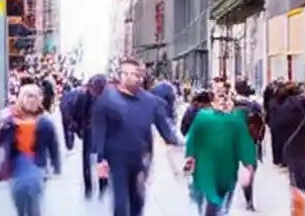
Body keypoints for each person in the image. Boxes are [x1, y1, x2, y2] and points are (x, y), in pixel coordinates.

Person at [91, 58, 182, 216]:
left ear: (141, 77)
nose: (129, 77)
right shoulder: (107, 100)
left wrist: (185, 145)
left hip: (141, 159)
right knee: (120, 203)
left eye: (134, 73)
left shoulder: (152, 102)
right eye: (124, 73)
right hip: (117, 159)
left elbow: (167, 131)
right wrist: (100, 159)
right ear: (120, 75)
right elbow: (99, 129)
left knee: (137, 202)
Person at [185, 88, 257, 216]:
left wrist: (249, 165)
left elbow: (245, 143)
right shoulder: (203, 117)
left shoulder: (236, 121)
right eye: (220, 97)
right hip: (206, 167)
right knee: (211, 198)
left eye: (226, 97)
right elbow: (193, 136)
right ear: (212, 102)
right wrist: (190, 156)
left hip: (228, 168)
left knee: (223, 198)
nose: (223, 101)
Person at [0, 84, 61, 216]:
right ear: (21, 99)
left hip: (37, 167)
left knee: (33, 204)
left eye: (35, 97)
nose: (32, 100)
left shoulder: (45, 122)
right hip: (16, 167)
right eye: (29, 97)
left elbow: (53, 146)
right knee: (19, 202)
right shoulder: (10, 121)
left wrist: (56, 165)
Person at [270, 82, 305, 204]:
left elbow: (277, 124)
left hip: (294, 142)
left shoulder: (285, 106)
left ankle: (301, 195)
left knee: (297, 176)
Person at [71, 74, 109, 198]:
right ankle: (100, 186)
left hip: (95, 131)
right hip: (94, 131)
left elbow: (76, 114)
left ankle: (93, 187)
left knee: (92, 160)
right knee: (100, 159)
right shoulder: (86, 96)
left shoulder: (87, 95)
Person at [232, 79, 267, 208]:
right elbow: (262, 121)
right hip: (249, 141)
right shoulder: (253, 105)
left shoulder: (230, 104)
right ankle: (249, 199)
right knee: (250, 168)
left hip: (233, 141)